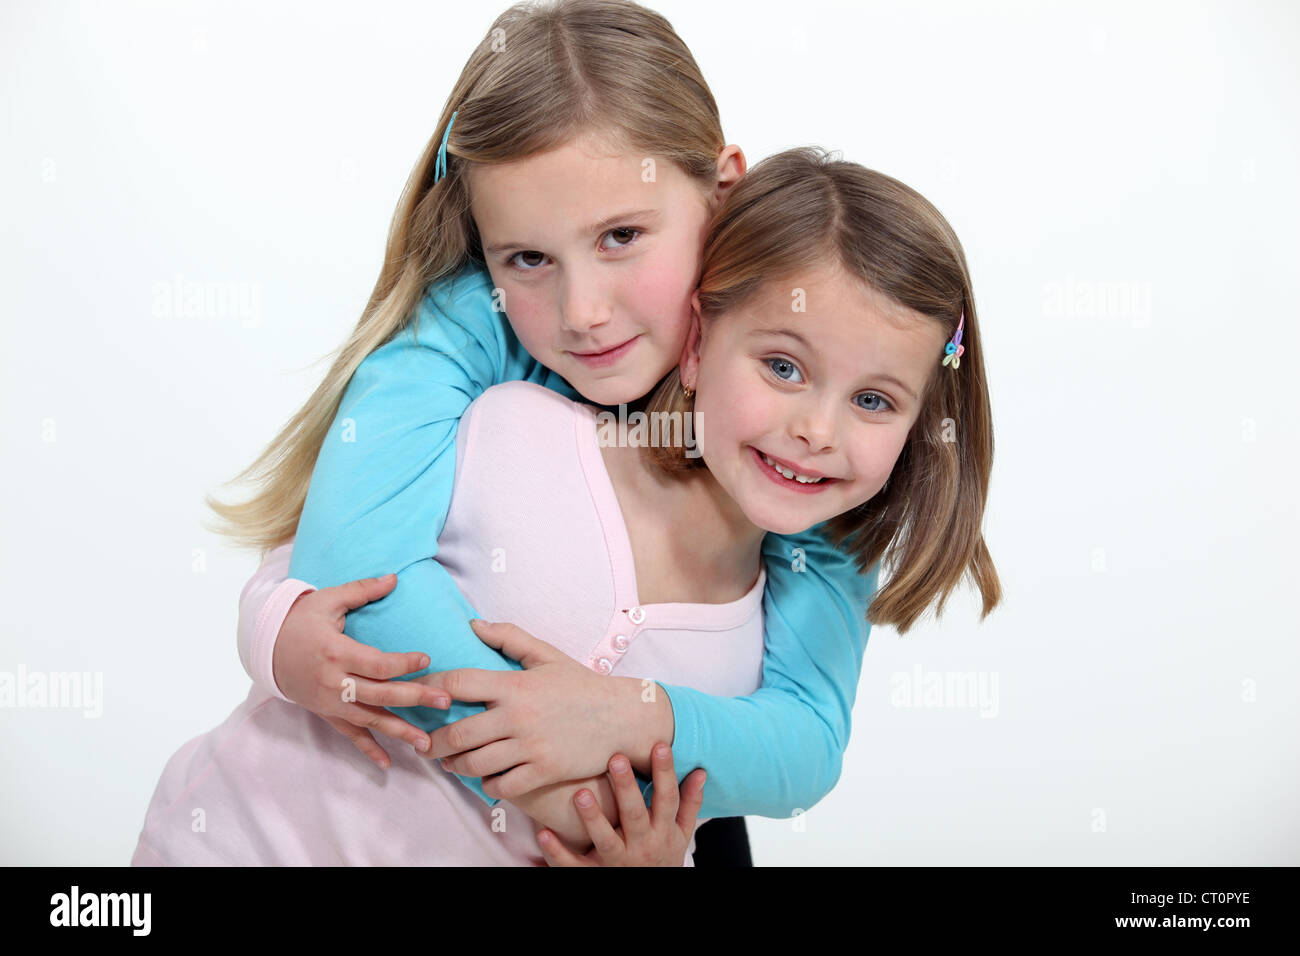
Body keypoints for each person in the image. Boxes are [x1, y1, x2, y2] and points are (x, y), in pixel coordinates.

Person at [132, 148, 1001, 865]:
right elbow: (321, 561)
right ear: (698, 341)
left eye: (876, 401)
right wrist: (277, 634)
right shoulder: (514, 418)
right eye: (782, 367)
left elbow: (801, 750)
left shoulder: (817, 571)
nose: (816, 430)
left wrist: (630, 740)